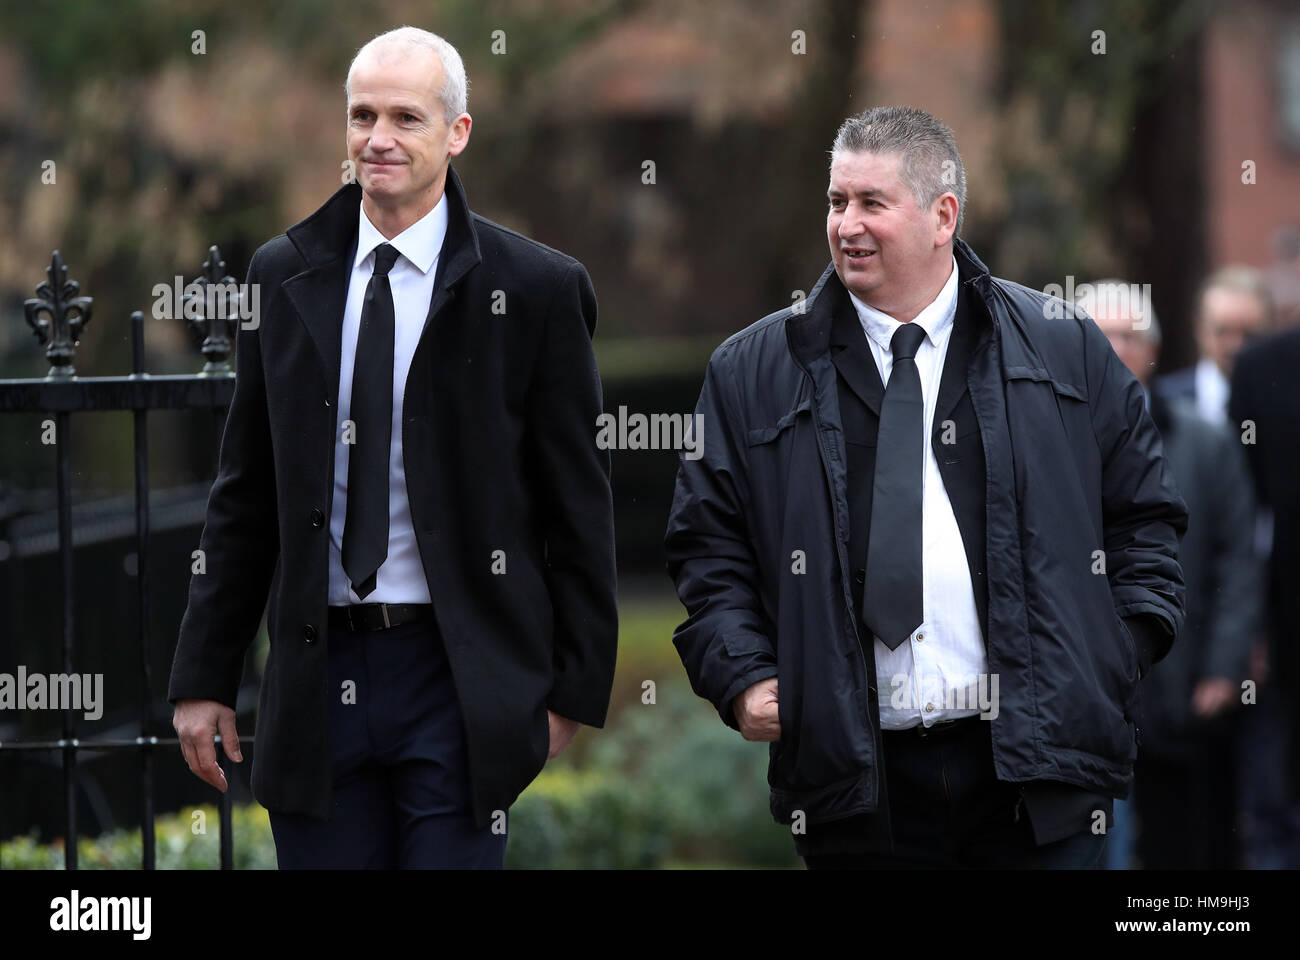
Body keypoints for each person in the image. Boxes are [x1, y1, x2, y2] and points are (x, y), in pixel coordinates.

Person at [664, 106, 1187, 869]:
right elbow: (708, 549)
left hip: (1037, 776)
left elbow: (1145, 518)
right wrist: (742, 671)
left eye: (873, 202)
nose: (847, 224)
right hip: (859, 786)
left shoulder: (1062, 345)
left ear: (943, 215)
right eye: (838, 201)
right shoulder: (750, 372)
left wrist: (1112, 652)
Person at [167, 27, 618, 868]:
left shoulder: (535, 291)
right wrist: (204, 674)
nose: (378, 139)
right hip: (316, 678)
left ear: (458, 132)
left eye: (406, 117)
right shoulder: (281, 274)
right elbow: (246, 493)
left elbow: (577, 506)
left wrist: (570, 690)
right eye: (362, 115)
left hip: (457, 675)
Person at [1090, 281, 1260, 869]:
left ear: (1153, 348)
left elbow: (1237, 557)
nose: (1115, 348)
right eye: (1100, 334)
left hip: (1179, 687)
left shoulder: (1206, 443)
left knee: (1180, 851)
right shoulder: (1038, 442)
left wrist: (1223, 667)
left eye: (1129, 336)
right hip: (1077, 697)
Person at [1230, 323, 1300, 868]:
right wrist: (1249, 630)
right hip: (1281, 631)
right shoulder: (1262, 367)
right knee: (1275, 805)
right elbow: (1242, 518)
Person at [1155, 267, 1271, 426]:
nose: (1236, 345)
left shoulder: (1287, 398)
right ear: (1200, 330)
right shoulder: (1165, 403)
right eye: (1222, 331)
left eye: (1249, 334)